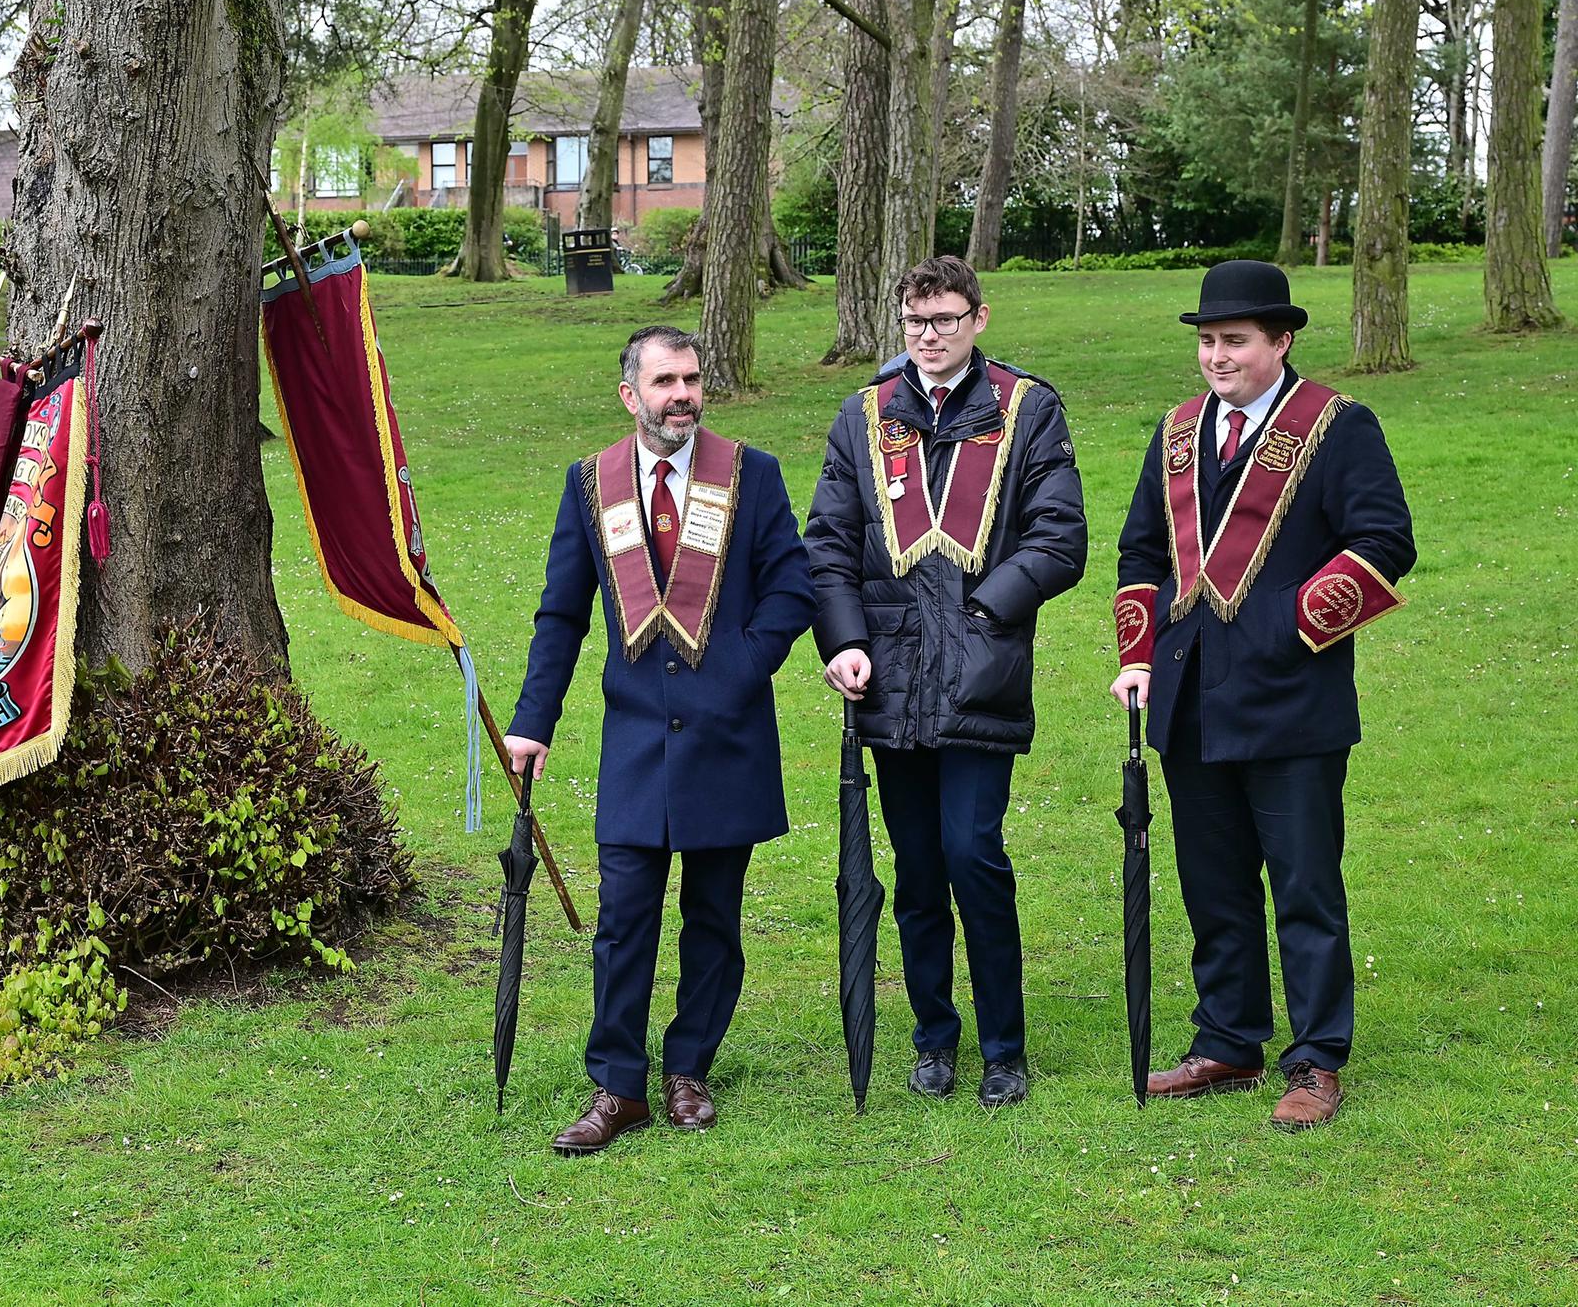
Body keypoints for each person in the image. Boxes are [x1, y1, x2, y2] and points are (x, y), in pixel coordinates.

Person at [1109, 260, 1415, 1129]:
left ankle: (1317, 1060)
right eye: (1208, 341)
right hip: (1189, 700)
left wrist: (1287, 627)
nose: (1218, 356)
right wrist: (1139, 654)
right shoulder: (1176, 433)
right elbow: (1141, 552)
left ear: (1281, 341)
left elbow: (1385, 541)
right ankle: (1228, 1040)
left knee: (1305, 888)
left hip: (1293, 699)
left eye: (1235, 341)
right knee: (1214, 886)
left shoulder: (1338, 426)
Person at [505, 325, 815, 1156]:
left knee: (713, 918)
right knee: (623, 921)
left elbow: (793, 586)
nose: (683, 395)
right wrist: (532, 721)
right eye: (666, 381)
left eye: (692, 379)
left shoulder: (751, 474)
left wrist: (742, 666)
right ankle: (618, 1086)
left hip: (728, 736)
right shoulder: (590, 484)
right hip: (636, 741)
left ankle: (689, 1070)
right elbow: (561, 613)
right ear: (630, 395)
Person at [804, 255, 1087, 1108]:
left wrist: (988, 611)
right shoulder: (864, 416)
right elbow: (827, 544)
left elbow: (1060, 539)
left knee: (974, 856)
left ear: (978, 319)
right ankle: (934, 1037)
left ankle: (1004, 1047)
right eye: (916, 322)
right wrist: (844, 641)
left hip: (979, 673)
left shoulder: (1027, 409)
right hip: (888, 678)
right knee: (918, 872)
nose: (929, 336)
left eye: (946, 320)